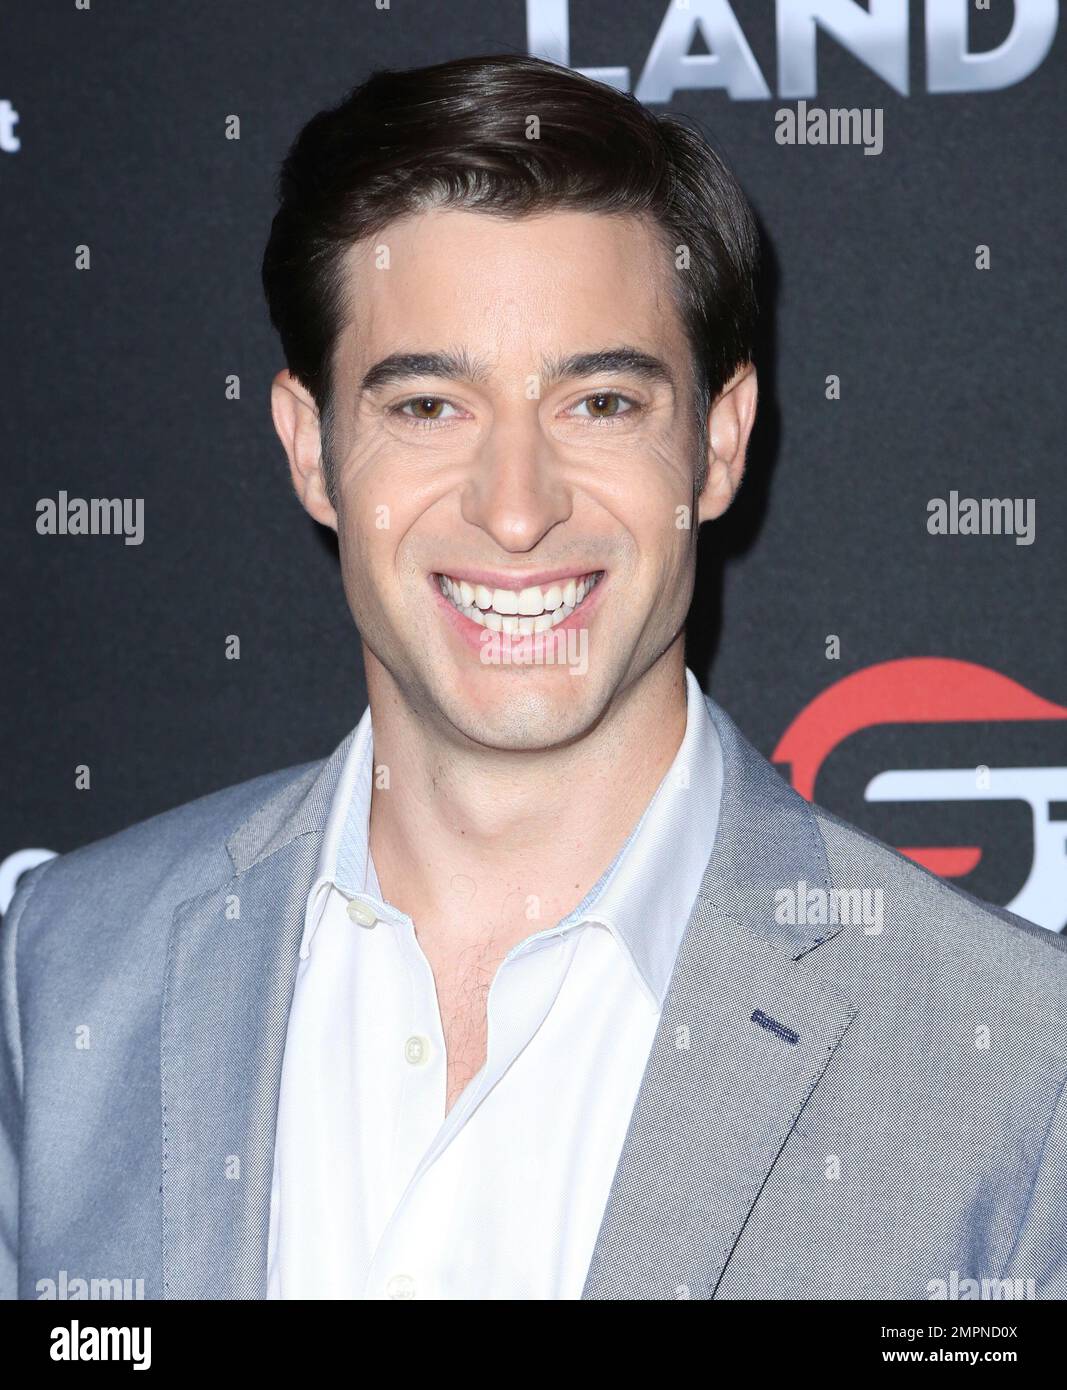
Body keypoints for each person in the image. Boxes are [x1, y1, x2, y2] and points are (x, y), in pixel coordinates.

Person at [3, 53, 1066, 1302]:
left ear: (717, 444)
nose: (516, 511)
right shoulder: (72, 969)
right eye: (428, 406)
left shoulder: (1008, 1057)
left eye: (599, 401)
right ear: (310, 448)